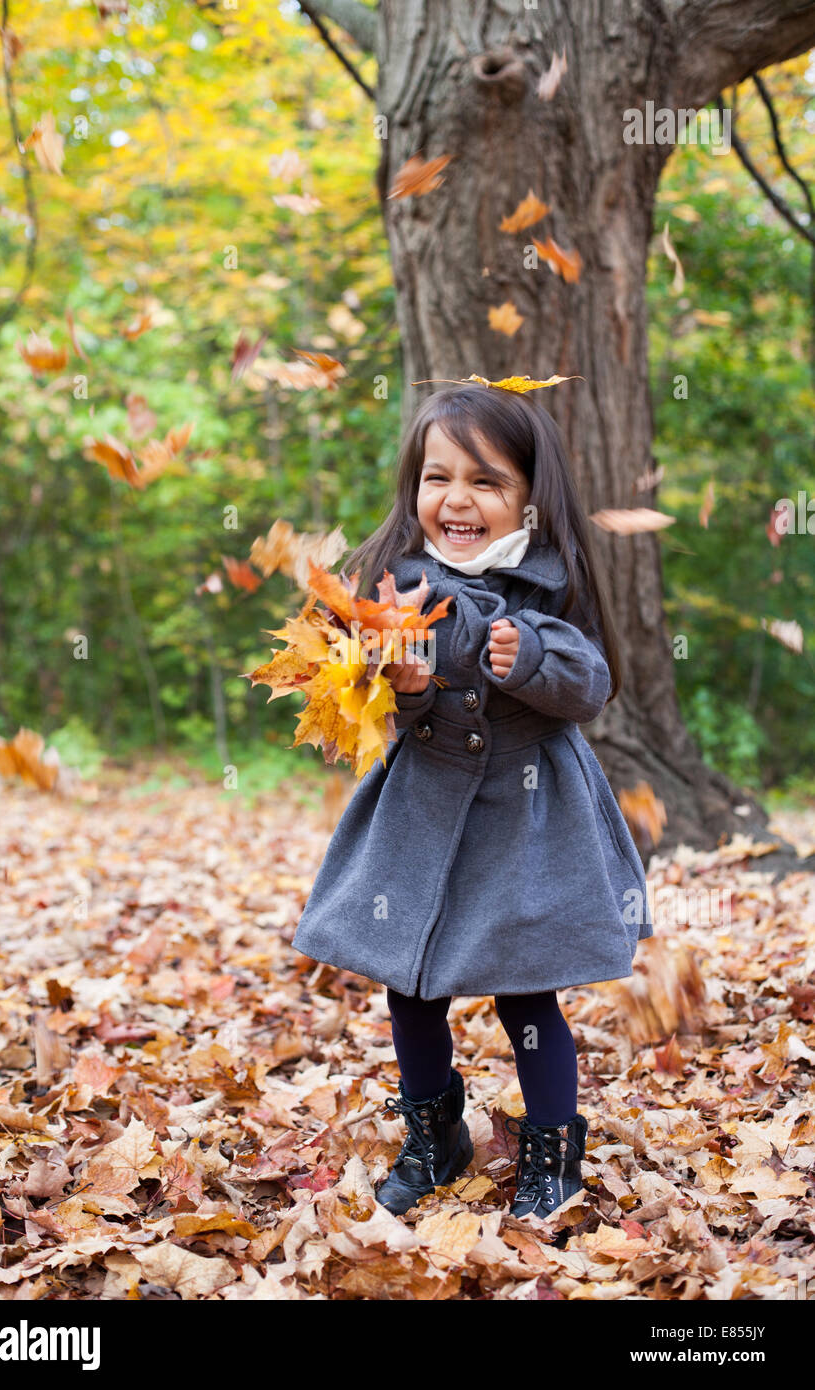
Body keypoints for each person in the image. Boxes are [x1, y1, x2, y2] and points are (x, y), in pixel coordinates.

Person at [290, 382, 653, 1220]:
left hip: (527, 820)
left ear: (528, 494)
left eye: (486, 482)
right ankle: (435, 1136)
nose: (456, 500)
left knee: (528, 992)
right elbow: (367, 701)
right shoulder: (394, 587)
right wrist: (406, 685)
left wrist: (529, 656)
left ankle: (552, 1155)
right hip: (422, 812)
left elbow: (590, 683)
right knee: (411, 985)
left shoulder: (548, 580)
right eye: (436, 477)